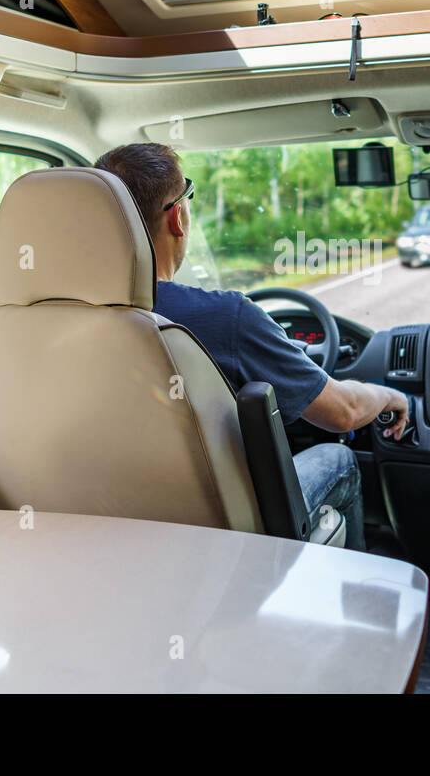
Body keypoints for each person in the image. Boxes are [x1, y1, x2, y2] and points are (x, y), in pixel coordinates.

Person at [94, 143, 410, 550]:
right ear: (178, 217)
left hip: (98, 530)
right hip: (219, 539)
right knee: (340, 459)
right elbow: (344, 414)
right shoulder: (227, 318)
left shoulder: (38, 325)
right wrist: (390, 394)